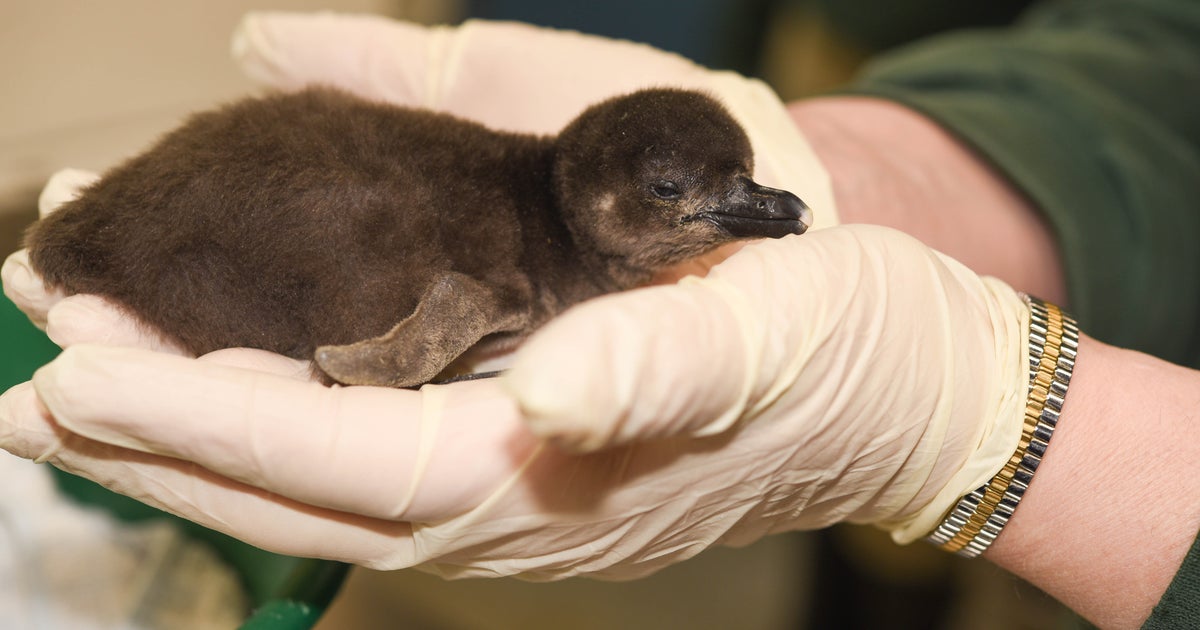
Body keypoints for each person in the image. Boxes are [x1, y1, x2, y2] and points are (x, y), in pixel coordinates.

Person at [1, 3, 1197, 629]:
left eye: (738, 185)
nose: (738, 212)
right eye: (685, 198)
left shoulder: (570, 214)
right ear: (604, 195)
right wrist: (885, 167)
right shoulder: (514, 269)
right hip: (254, 232)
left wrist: (1016, 433)